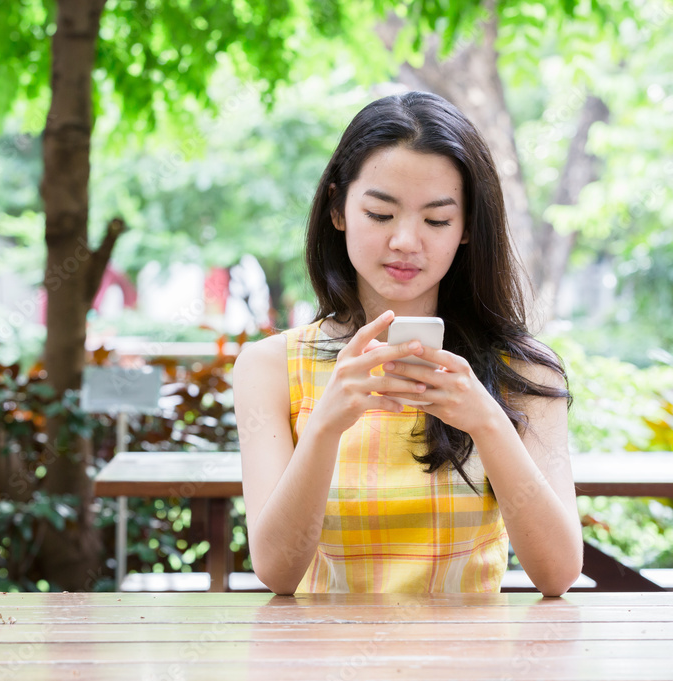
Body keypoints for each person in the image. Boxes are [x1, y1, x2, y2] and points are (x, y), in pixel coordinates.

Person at [232, 91, 583, 596]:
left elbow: (557, 574)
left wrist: (486, 421)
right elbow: (277, 571)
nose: (405, 241)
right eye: (380, 214)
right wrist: (326, 425)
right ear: (338, 209)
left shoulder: (523, 371)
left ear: (466, 229)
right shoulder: (269, 367)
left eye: (437, 220)